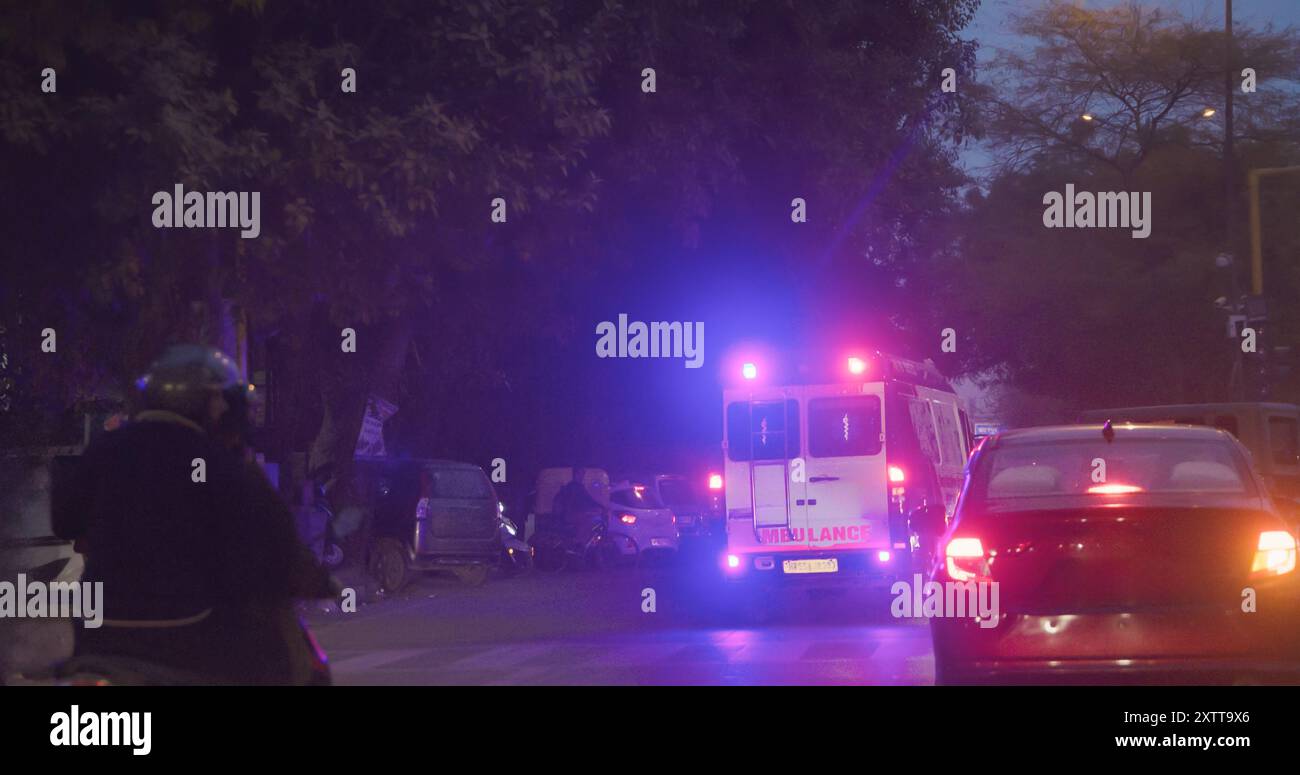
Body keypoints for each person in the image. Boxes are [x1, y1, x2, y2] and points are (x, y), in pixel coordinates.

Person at [51, 344, 333, 685]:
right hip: (195, 642)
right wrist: (317, 580)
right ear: (215, 406)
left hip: (98, 637)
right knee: (291, 666)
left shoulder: (103, 450)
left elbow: (64, 520)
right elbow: (280, 547)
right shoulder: (225, 467)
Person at [551, 466, 606, 538]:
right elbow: (588, 500)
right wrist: (601, 507)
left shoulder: (569, 486)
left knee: (589, 518)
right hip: (572, 514)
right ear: (576, 474)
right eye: (582, 473)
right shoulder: (577, 487)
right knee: (587, 522)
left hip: (566, 515)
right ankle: (580, 544)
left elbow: (587, 500)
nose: (583, 476)